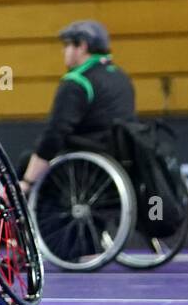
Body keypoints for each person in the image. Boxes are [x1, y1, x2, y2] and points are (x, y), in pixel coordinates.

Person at [18, 20, 135, 193]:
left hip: (84, 167)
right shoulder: (121, 77)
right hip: (119, 162)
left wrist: (27, 181)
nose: (63, 51)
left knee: (27, 160)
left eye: (67, 45)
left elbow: (55, 134)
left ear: (82, 46)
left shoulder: (77, 81)